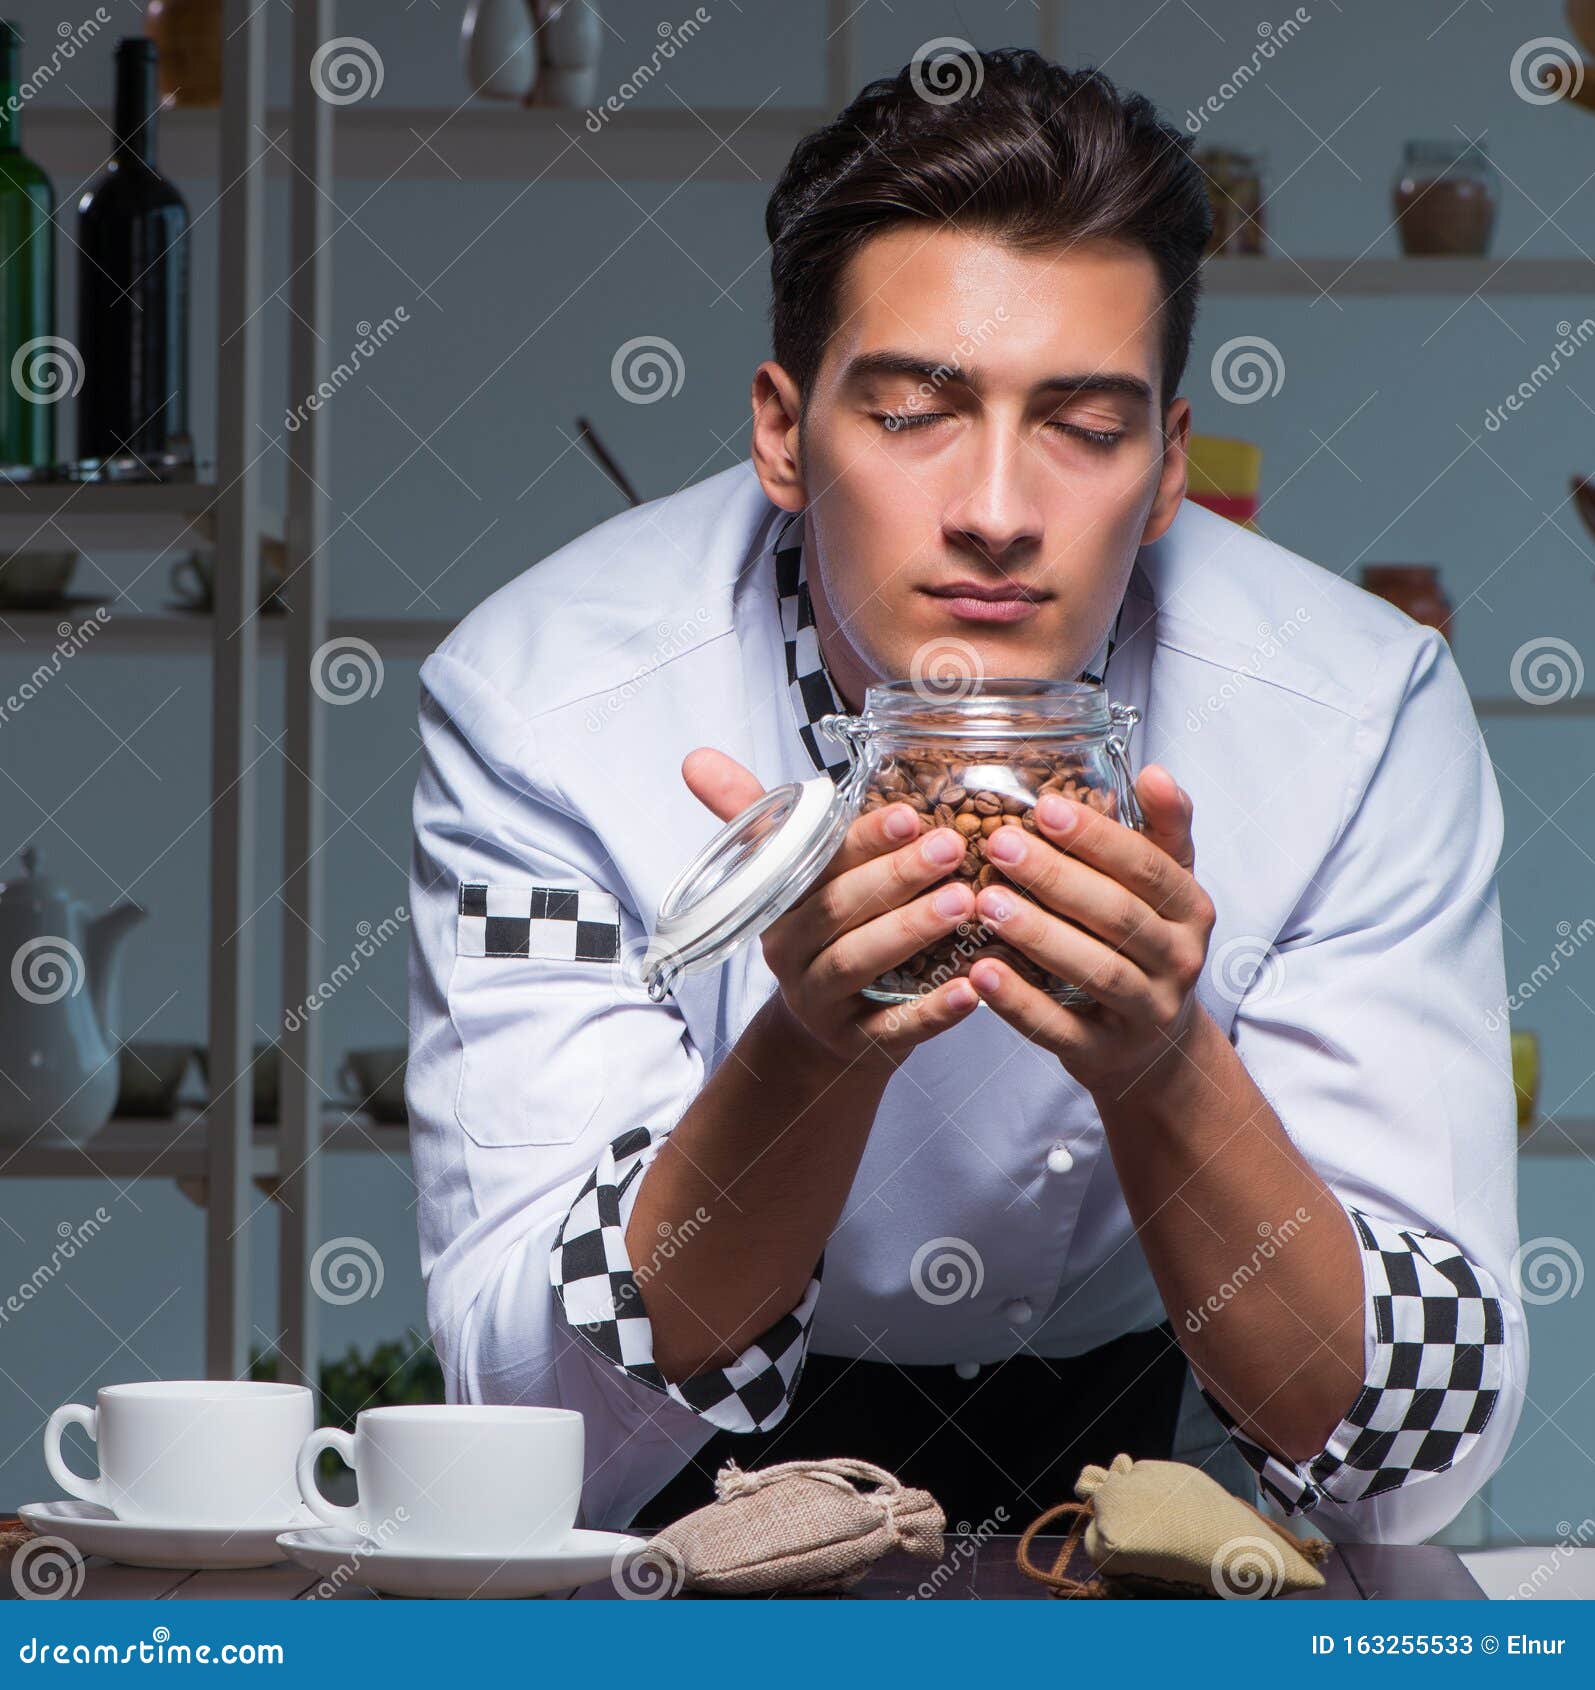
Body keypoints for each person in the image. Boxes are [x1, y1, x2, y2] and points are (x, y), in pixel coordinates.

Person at [406, 49, 1523, 1543]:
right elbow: (526, 1418)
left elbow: (1412, 1470)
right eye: (916, 410)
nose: (998, 511)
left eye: (1084, 424)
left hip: (1167, 1436)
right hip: (699, 1480)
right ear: (782, 435)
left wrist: (1161, 1062)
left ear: (1171, 461)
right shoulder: (544, 708)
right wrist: (803, 1050)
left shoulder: (1357, 717)